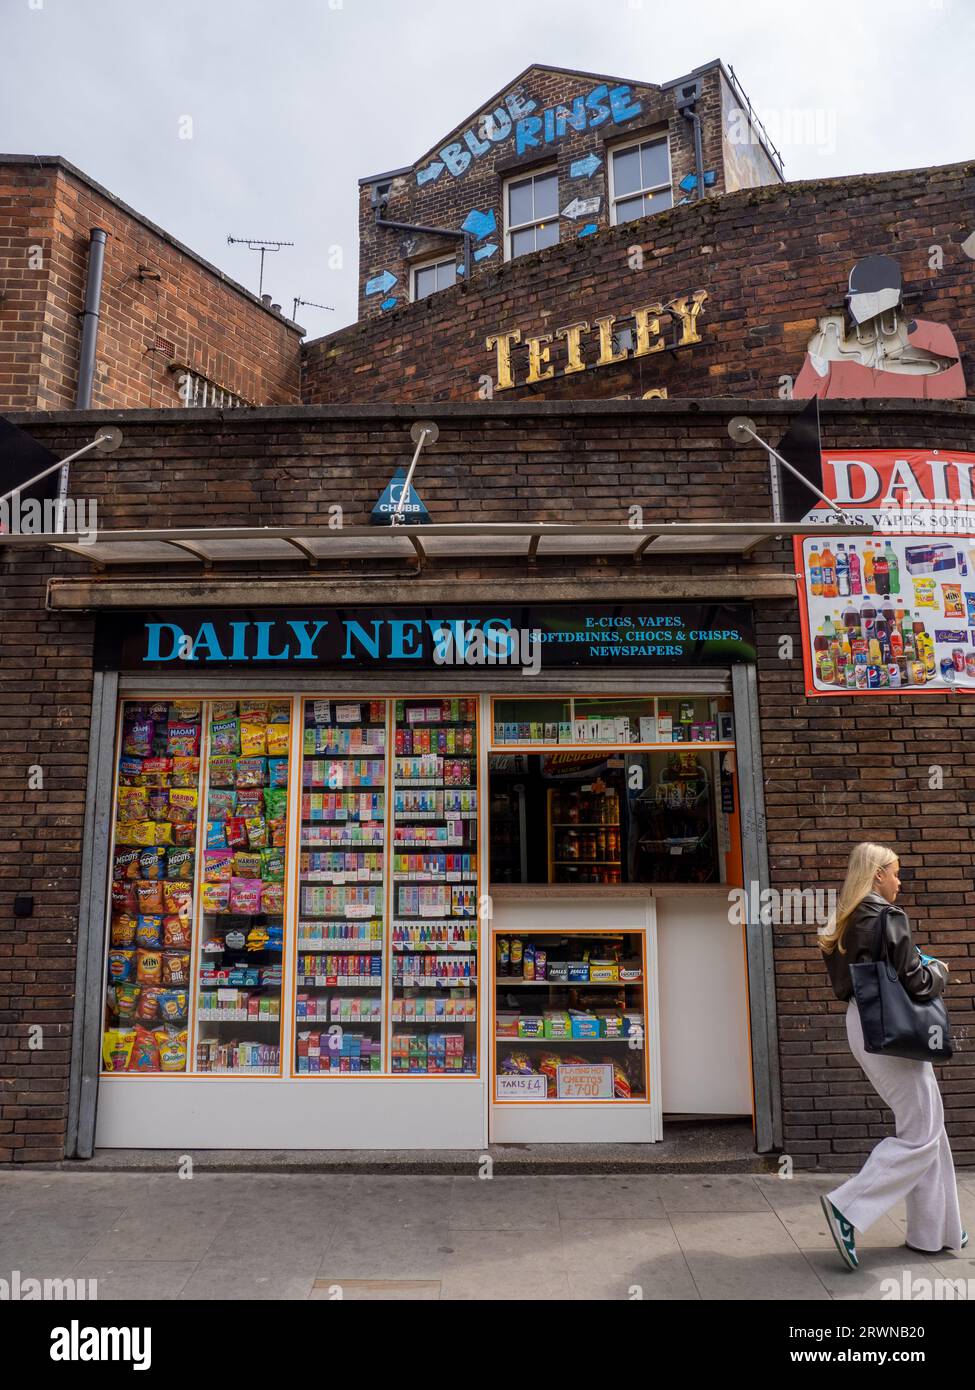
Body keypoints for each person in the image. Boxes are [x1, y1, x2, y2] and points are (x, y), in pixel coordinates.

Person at [817, 842, 967, 1269]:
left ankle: (935, 1230)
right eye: (896, 873)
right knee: (921, 1132)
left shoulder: (843, 919)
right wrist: (939, 971)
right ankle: (848, 1205)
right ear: (877, 874)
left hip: (862, 1022)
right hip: (894, 1029)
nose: (900, 882)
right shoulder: (886, 916)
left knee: (928, 1126)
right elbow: (918, 983)